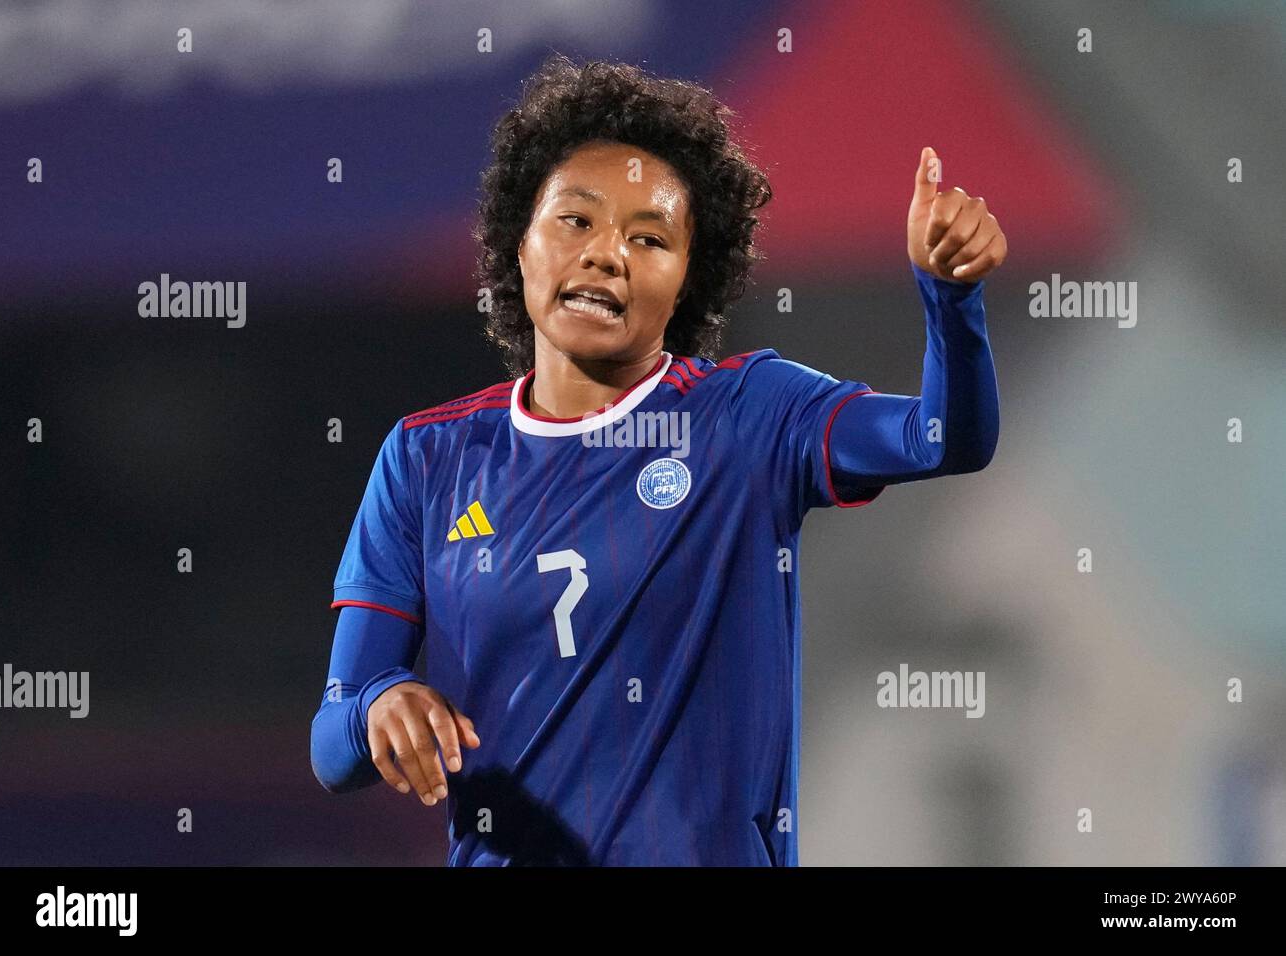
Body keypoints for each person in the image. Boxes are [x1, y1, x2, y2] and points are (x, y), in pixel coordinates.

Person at [310, 54, 1004, 866]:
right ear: (519, 244)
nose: (608, 254)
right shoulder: (426, 460)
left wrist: (951, 302)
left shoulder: (750, 415)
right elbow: (334, 742)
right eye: (576, 221)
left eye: (650, 237)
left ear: (687, 283)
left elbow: (941, 438)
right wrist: (379, 706)